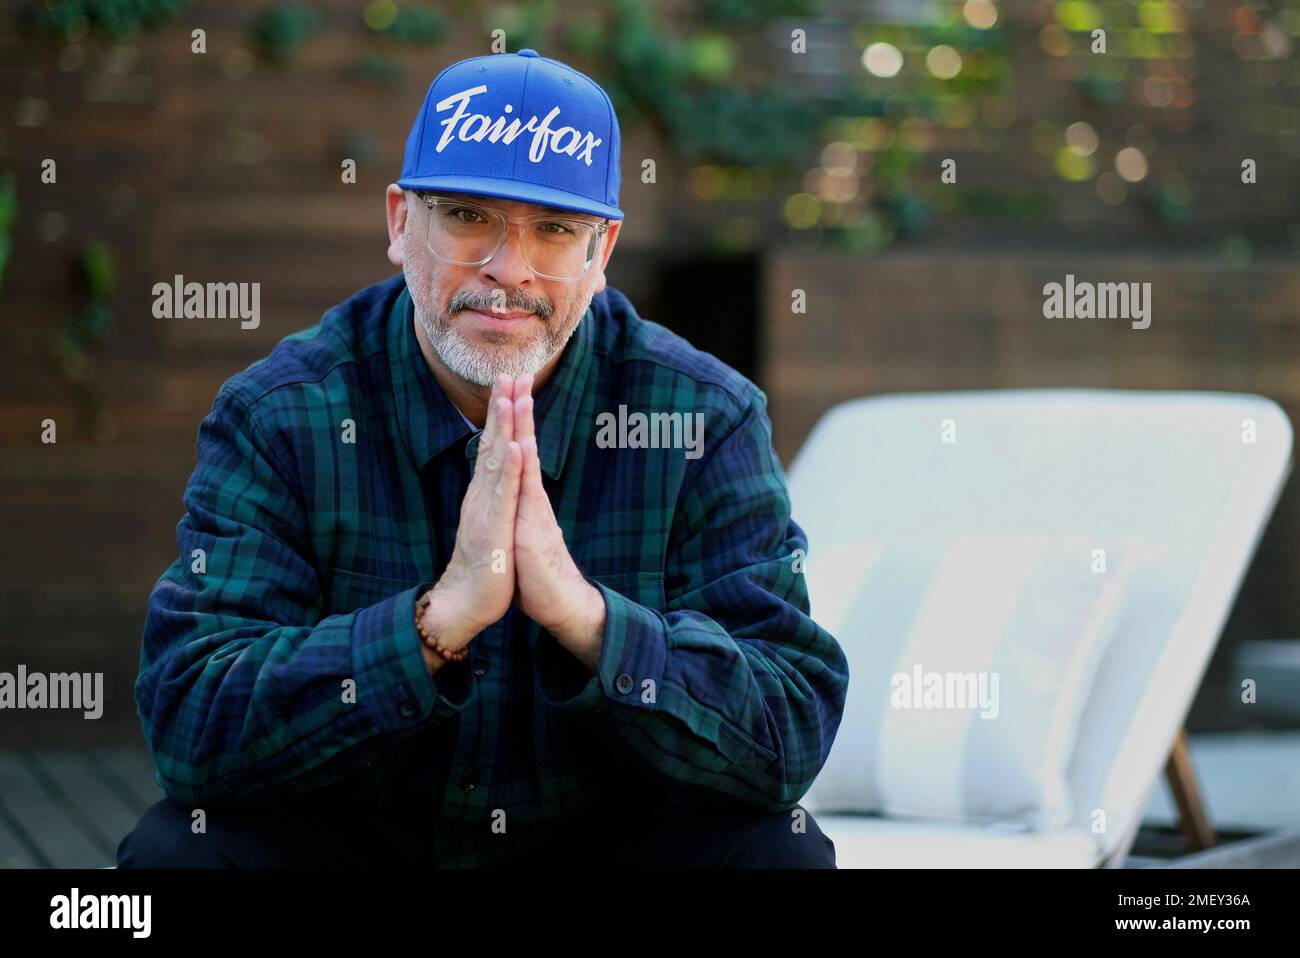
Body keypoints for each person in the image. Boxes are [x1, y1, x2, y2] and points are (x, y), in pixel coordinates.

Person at [117, 48, 848, 869]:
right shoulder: (279, 414)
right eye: (468, 216)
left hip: (606, 852)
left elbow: (789, 732)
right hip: (358, 848)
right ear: (400, 223)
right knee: (178, 853)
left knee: (778, 854)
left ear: (600, 252)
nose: (509, 268)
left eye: (555, 229)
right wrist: (436, 623)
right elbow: (189, 719)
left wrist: (588, 619)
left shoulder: (702, 417)